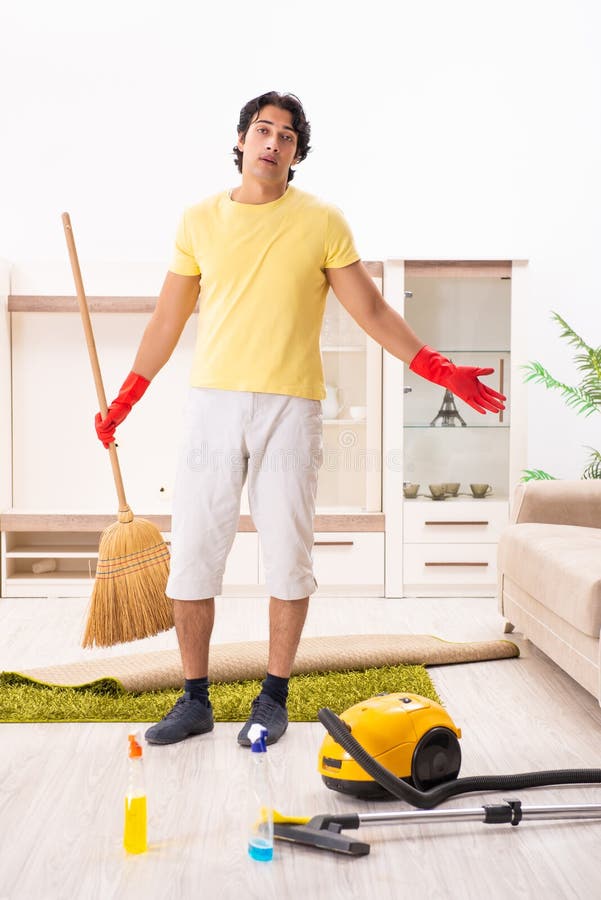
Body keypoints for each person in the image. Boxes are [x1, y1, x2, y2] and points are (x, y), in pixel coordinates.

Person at [95, 90, 505, 747]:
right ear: (239, 139)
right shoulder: (198, 220)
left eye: (286, 136)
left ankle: (272, 695)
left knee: (288, 555)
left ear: (296, 151)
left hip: (292, 405)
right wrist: (127, 397)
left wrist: (436, 367)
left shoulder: (321, 221)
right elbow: (167, 318)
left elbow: (370, 310)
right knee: (194, 554)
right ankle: (194, 698)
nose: (272, 143)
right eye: (263, 130)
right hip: (213, 405)